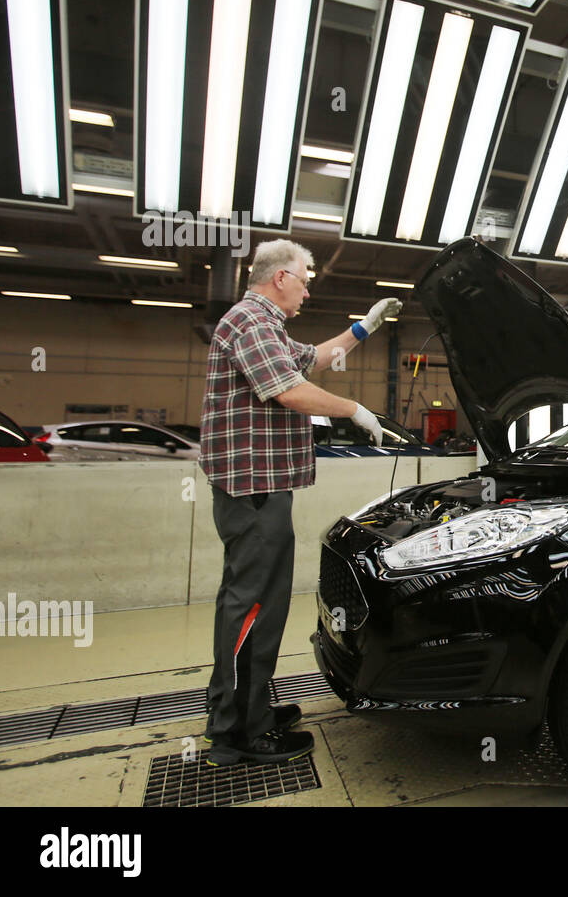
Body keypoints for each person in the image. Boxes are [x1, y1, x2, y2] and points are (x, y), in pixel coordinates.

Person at [198, 239, 401, 766]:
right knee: (254, 604)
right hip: (253, 491)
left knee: (254, 601)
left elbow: (318, 360)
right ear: (279, 277)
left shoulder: (267, 327)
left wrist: (366, 327)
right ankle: (241, 730)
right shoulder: (250, 323)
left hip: (259, 489)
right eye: (305, 277)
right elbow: (290, 390)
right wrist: (355, 409)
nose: (309, 287)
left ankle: (244, 704)